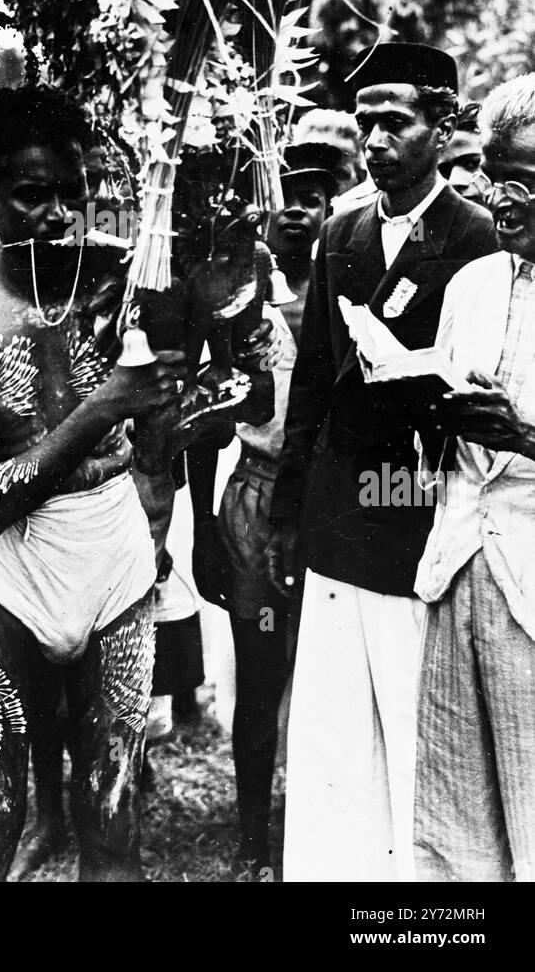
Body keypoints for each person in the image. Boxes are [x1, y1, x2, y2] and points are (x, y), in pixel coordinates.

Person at [0, 86, 184, 882]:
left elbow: (166, 428)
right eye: (31, 196)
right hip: (3, 570)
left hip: (112, 552)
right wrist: (107, 405)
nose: (58, 216)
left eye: (73, 195)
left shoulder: (121, 287)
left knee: (113, 808)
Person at [266, 43, 497, 883]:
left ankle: (418, 902)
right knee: (332, 727)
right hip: (337, 515)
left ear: (441, 129)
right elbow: (312, 389)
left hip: (420, 509)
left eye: (394, 121)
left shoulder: (475, 239)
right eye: (365, 121)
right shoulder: (340, 234)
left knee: (413, 720)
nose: (374, 138)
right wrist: (288, 511)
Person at [414, 74, 535, 881]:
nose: (500, 199)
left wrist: (526, 437)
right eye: (493, 176)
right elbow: (443, 441)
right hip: (458, 565)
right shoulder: (472, 283)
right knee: (454, 824)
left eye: (523, 178)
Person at [213, 143, 338, 873]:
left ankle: (314, 833)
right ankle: (252, 837)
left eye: (315, 193)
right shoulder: (236, 287)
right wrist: (201, 524)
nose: (297, 206)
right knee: (259, 671)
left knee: (325, 673)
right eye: (285, 189)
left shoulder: (348, 282)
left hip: (327, 498)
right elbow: (202, 414)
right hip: (256, 493)